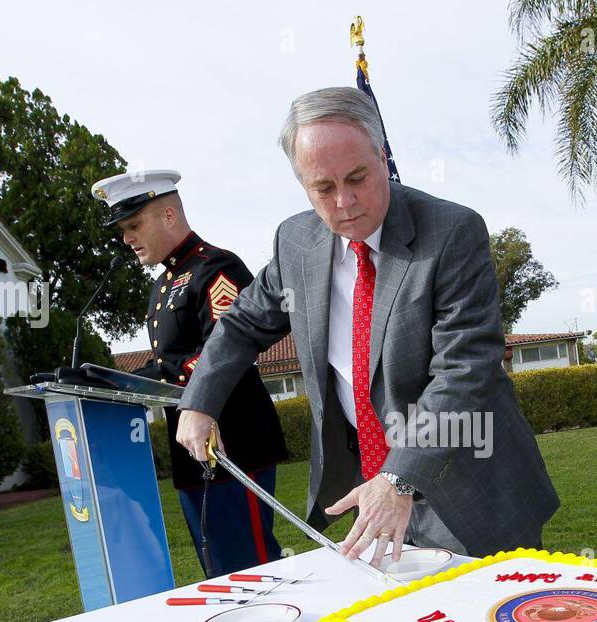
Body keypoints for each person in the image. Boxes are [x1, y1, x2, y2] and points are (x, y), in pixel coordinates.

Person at [175, 88, 558, 563]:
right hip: (362, 489)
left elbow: (465, 369)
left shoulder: (451, 233)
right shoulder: (295, 241)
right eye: (324, 188)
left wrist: (398, 478)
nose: (345, 201)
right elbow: (241, 325)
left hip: (467, 487)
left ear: (382, 156)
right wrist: (199, 401)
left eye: (357, 177)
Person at [91, 169, 287, 576]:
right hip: (191, 449)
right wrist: (104, 380)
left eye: (133, 224)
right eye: (123, 229)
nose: (126, 238)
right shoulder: (163, 285)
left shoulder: (216, 268)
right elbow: (172, 360)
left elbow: (229, 350)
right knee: (218, 569)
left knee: (250, 567)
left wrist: (157, 375)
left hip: (233, 441)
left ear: (168, 215)